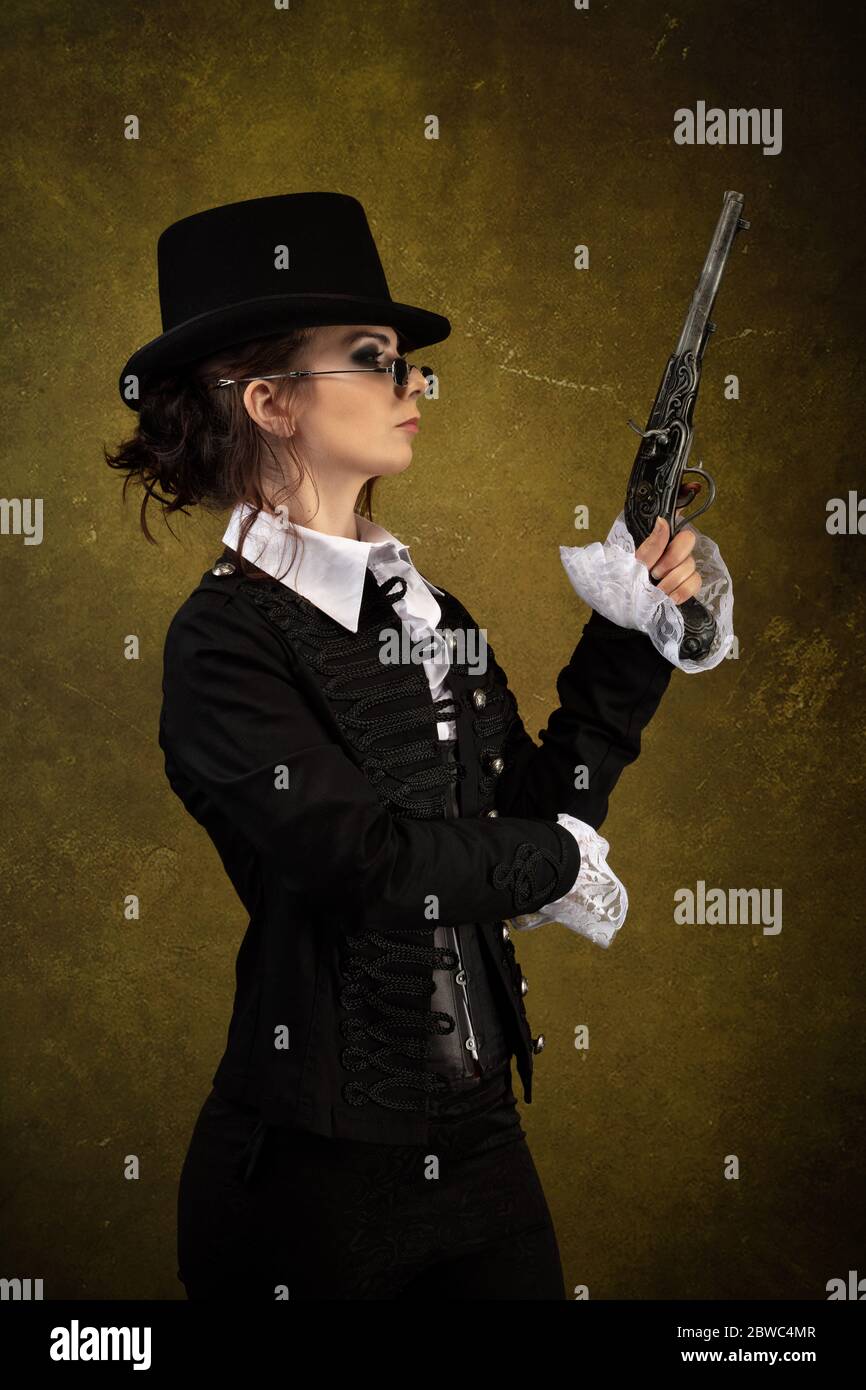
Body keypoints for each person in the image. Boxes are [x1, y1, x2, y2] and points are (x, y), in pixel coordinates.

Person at [106, 192, 712, 1300]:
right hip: (306, 1188)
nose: (412, 385)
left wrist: (633, 630)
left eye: (410, 364)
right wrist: (562, 865)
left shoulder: (427, 612)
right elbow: (369, 863)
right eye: (374, 360)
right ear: (271, 401)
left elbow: (535, 801)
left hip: (481, 1154)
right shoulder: (221, 640)